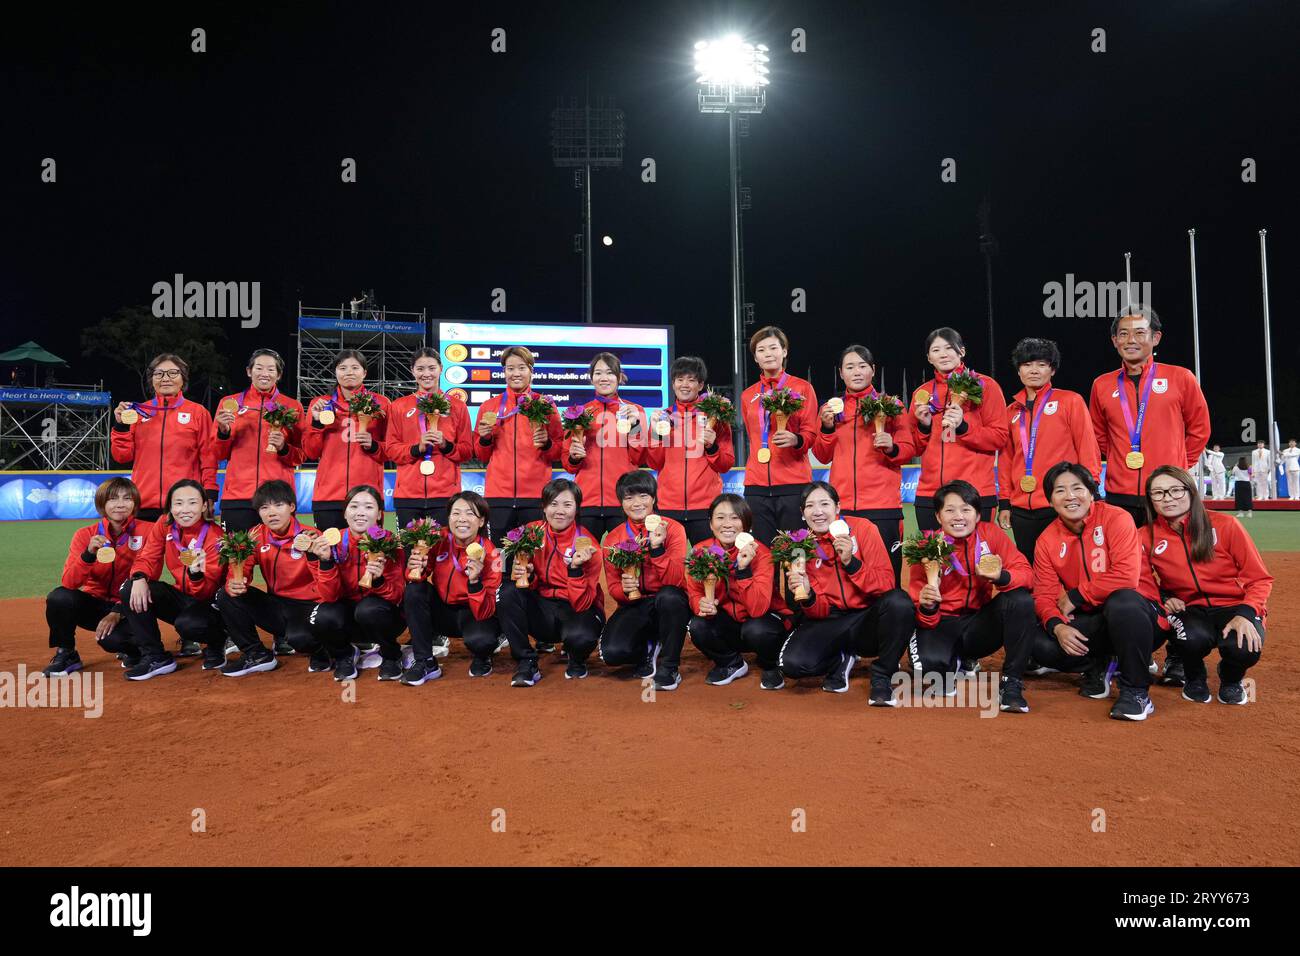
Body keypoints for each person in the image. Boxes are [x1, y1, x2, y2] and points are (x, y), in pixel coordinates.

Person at [1029, 462, 1161, 721]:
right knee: (1037, 643)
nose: (1070, 496)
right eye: (1060, 491)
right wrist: (1057, 626)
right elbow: (1043, 595)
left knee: (1122, 603)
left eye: (1078, 488)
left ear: (1092, 492)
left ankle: (1136, 691)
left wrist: (1076, 595)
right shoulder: (1046, 540)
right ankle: (1099, 665)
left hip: (1139, 615)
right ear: (1050, 499)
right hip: (1094, 620)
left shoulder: (1116, 518)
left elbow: (1127, 576)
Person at [1141, 466, 1270, 705]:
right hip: (1189, 609)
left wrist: (1246, 612)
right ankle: (1194, 676)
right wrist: (1164, 595)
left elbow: (1259, 578)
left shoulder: (1225, 525)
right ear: (1150, 500)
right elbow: (1140, 579)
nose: (1167, 498)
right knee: (1191, 638)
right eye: (1158, 493)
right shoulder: (1144, 536)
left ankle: (1231, 678)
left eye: (1175, 490)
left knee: (1244, 647)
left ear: (1191, 491)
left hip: (1234, 605)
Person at [907, 480, 1038, 713]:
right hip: (942, 623)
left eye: (966, 509)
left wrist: (1002, 577)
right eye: (950, 510)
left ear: (978, 515)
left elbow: (1027, 575)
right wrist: (927, 606)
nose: (958, 516)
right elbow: (920, 612)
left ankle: (1012, 683)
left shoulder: (991, 535)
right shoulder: (927, 546)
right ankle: (955, 659)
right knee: (930, 673)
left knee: (1020, 600)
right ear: (938, 516)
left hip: (980, 622)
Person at [777, 481, 913, 705]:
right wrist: (809, 595)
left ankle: (882, 677)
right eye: (810, 506)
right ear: (802, 513)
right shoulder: (798, 545)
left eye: (824, 504)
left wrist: (852, 563)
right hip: (829, 620)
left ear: (837, 508)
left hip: (866, 620)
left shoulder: (863, 528)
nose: (818, 512)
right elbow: (817, 611)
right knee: (792, 664)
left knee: (899, 602)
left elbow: (887, 584)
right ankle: (839, 659)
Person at [1089, 306, 1211, 528]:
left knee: (1172, 559)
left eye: (1139, 332)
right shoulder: (1101, 385)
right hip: (1119, 494)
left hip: (1168, 491)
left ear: (1155, 338)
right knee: (1125, 560)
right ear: (1114, 340)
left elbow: (1200, 429)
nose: (1130, 340)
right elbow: (1097, 436)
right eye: (1123, 334)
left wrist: (1178, 466)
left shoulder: (1180, 377)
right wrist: (1119, 459)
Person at [811, 345, 915, 583]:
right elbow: (821, 454)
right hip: (844, 508)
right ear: (841, 373)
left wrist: (892, 446)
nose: (856, 372)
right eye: (850, 367)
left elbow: (909, 449)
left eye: (862, 366)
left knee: (887, 577)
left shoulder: (891, 405)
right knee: (846, 576)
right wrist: (827, 428)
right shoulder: (830, 409)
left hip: (883, 507)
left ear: (873, 370)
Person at [999, 338, 1102, 563]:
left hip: (1060, 503)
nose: (1034, 370)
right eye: (1027, 365)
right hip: (1020, 509)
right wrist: (1005, 502)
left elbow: (1087, 447)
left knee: (1066, 565)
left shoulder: (1070, 401)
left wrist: (1091, 490)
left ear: (1052, 370)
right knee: (1028, 565)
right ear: (1019, 371)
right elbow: (1006, 460)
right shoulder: (1010, 411)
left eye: (1042, 364)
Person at [216, 479, 330, 676]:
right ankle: (257, 654)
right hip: (277, 605)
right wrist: (236, 581)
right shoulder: (256, 535)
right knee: (226, 594)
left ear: (292, 507)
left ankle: (325, 651)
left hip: (309, 606)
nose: (272, 512)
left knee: (300, 639)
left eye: (279, 505)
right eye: (264, 507)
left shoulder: (311, 536)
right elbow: (244, 564)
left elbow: (327, 579)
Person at [498, 478, 604, 686]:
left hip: (576, 609)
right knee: (507, 592)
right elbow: (522, 578)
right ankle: (526, 660)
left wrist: (574, 570)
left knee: (581, 636)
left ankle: (577, 658)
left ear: (577, 508)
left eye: (567, 504)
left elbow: (583, 603)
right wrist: (528, 575)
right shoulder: (529, 533)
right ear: (544, 508)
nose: (560, 511)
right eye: (553, 504)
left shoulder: (588, 545)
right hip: (542, 610)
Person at [42, 478, 151, 676]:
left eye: (127, 498)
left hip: (129, 606)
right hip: (94, 603)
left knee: (113, 641)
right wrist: (88, 554)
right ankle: (66, 652)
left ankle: (134, 651)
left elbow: (149, 575)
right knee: (59, 597)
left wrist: (118, 611)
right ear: (102, 504)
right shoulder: (85, 534)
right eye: (112, 499)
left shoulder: (148, 531)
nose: (120, 504)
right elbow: (69, 582)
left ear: (135, 503)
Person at [120, 478, 228, 679]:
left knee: (189, 624)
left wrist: (195, 575)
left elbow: (205, 591)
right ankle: (155, 657)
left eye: (192, 503)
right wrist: (139, 576)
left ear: (204, 505)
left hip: (209, 603)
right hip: (182, 596)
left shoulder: (216, 537)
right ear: (170, 506)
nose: (185, 509)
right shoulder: (164, 525)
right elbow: (148, 556)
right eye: (178, 503)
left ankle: (218, 641)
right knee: (129, 587)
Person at [686, 494, 791, 690]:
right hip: (729, 625)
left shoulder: (762, 553)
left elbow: (758, 609)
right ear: (710, 524)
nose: (727, 524)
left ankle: (770, 665)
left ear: (746, 524)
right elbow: (694, 591)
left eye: (735, 518)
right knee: (697, 625)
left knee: (756, 629)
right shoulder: (701, 551)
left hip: (763, 623)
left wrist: (743, 570)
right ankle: (731, 663)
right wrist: (700, 603)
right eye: (720, 517)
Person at [598, 470, 691, 690]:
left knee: (669, 597)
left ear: (654, 498)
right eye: (629, 498)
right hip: (635, 603)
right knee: (612, 653)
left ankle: (669, 667)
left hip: (667, 601)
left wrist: (657, 549)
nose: (636, 503)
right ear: (621, 503)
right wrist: (623, 589)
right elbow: (612, 586)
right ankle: (649, 645)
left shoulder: (674, 529)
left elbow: (676, 580)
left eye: (643, 496)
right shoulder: (613, 538)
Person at [908, 328, 1008, 532]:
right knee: (934, 561)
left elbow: (999, 438)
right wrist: (923, 426)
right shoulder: (922, 394)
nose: (943, 354)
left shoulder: (985, 386)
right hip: (930, 494)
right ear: (928, 357)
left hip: (974, 493)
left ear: (961, 351)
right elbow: (914, 448)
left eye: (949, 348)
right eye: (936, 350)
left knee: (975, 561)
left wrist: (964, 427)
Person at [401, 490, 503, 683]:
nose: (461, 519)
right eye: (456, 513)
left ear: (481, 522)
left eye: (470, 513)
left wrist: (475, 582)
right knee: (414, 590)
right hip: (443, 611)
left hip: (474, 613)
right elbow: (415, 577)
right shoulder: (437, 539)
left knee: (481, 642)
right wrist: (415, 568)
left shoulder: (491, 553)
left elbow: (485, 610)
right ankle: (425, 661)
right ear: (448, 518)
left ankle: (483, 656)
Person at [110, 353, 218, 520]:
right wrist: (121, 426)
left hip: (184, 505)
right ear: (152, 380)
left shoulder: (198, 412)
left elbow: (209, 458)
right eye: (159, 374)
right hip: (143, 503)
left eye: (173, 373)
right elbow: (122, 457)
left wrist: (210, 494)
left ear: (183, 379)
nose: (165, 378)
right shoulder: (138, 412)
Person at [642, 356, 735, 543]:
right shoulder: (662, 418)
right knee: (666, 567)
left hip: (706, 508)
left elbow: (726, 464)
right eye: (680, 379)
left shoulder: (714, 418)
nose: (685, 384)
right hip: (668, 507)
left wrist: (712, 446)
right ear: (673, 383)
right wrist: (658, 436)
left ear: (700, 385)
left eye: (691, 380)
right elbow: (654, 462)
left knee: (709, 568)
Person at [211, 349, 305, 533]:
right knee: (236, 559)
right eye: (259, 368)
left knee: (280, 560)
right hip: (237, 496)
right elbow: (217, 453)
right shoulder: (229, 403)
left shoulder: (292, 406)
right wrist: (223, 433)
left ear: (278, 375)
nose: (264, 373)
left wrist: (283, 448)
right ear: (249, 371)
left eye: (271, 369)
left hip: (277, 498)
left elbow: (301, 456)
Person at [740, 326, 819, 543]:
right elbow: (752, 436)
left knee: (795, 554)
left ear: (784, 352)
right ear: (755, 357)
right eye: (761, 350)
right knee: (763, 558)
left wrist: (796, 440)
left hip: (794, 484)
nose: (768, 353)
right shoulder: (748, 395)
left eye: (773, 348)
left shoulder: (802, 388)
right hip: (756, 487)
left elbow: (811, 433)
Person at [475, 346, 565, 537]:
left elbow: (558, 452)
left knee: (535, 559)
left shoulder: (545, 405)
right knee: (499, 557)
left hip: (536, 496)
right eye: (510, 368)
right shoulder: (489, 407)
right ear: (504, 372)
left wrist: (547, 443)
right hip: (498, 496)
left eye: (522, 368)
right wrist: (485, 439)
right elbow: (481, 456)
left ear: (531, 371)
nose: (516, 373)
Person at [302, 350, 393, 532]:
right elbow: (311, 452)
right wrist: (317, 422)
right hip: (328, 496)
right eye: (342, 368)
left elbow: (392, 450)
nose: (348, 372)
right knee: (328, 556)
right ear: (335, 372)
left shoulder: (381, 404)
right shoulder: (320, 404)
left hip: (367, 496)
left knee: (370, 557)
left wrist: (374, 445)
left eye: (354, 367)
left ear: (365, 372)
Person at [562, 352, 650, 539]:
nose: (604, 378)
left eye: (609, 373)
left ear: (619, 378)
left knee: (630, 560)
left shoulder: (635, 410)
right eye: (598, 373)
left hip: (623, 500)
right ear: (591, 378)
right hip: (587, 501)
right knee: (583, 561)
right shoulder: (578, 413)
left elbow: (640, 458)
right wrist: (573, 457)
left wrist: (634, 425)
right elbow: (568, 464)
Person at [384, 348, 474, 529]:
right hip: (408, 497)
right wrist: (417, 448)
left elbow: (467, 451)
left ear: (441, 368)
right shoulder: (399, 406)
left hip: (446, 495)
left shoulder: (457, 406)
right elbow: (391, 449)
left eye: (431, 368)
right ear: (412, 371)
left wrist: (446, 445)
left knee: (443, 555)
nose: (426, 374)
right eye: (420, 369)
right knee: (412, 555)